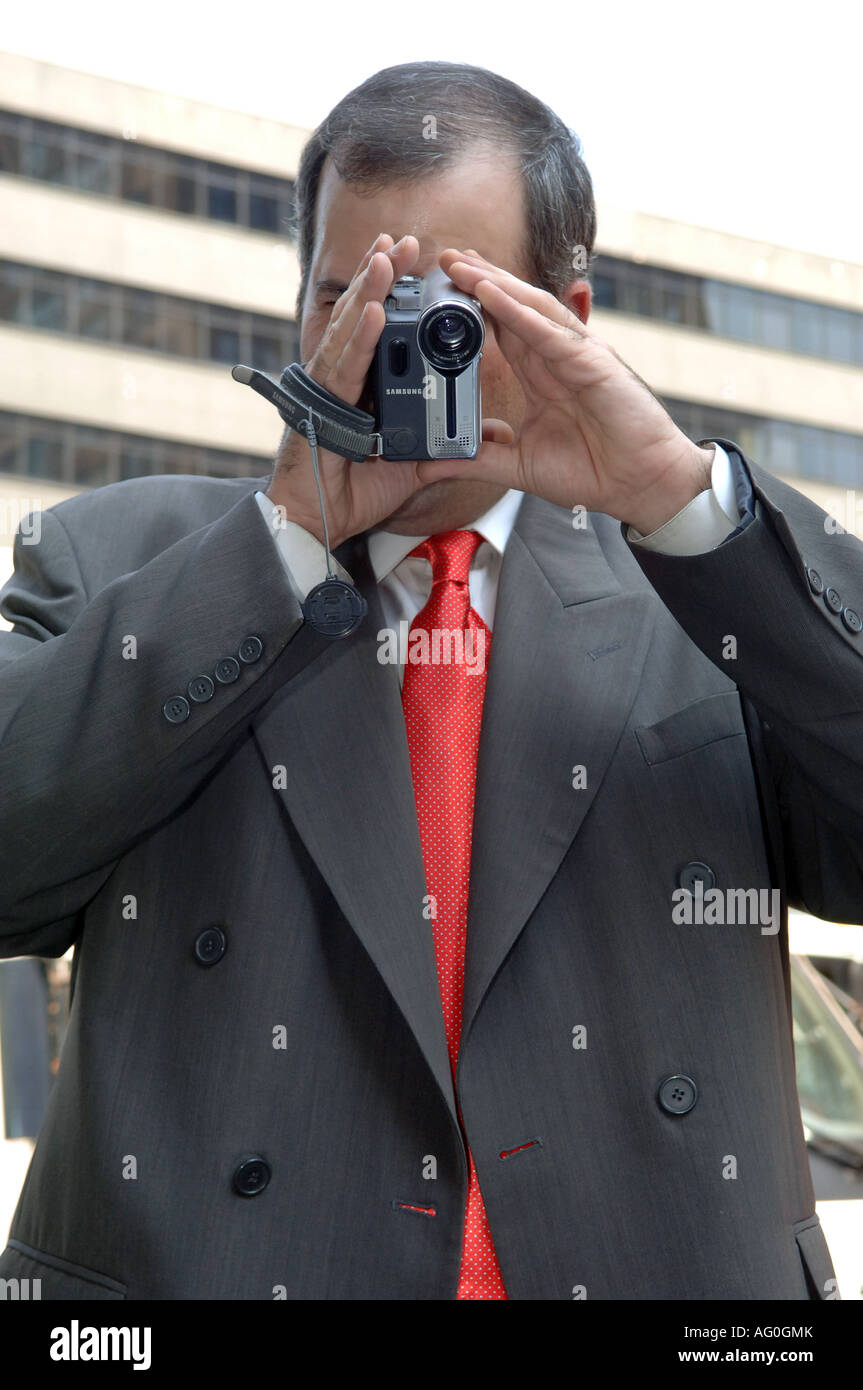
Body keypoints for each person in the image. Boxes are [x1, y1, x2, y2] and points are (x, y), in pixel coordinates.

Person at [0, 59, 858, 1301]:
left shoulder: (705, 592)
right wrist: (282, 549)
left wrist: (680, 504)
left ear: (562, 312)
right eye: (351, 301)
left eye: (451, 309)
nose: (398, 355)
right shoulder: (124, 564)